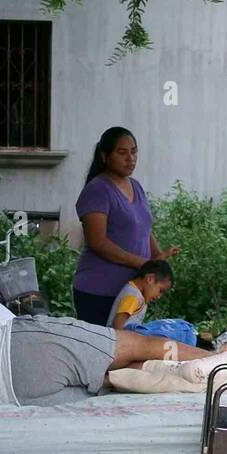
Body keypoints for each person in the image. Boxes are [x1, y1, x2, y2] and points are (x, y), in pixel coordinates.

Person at [0, 278, 212, 406]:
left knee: (115, 382)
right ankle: (216, 360)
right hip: (17, 347)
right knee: (137, 344)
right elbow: (9, 322)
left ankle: (165, 374)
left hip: (6, 396)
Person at [73, 128, 180, 326]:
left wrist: (157, 259)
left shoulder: (136, 186)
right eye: (122, 153)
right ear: (105, 156)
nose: (130, 158)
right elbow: (97, 242)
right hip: (99, 290)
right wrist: (141, 263)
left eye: (134, 151)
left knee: (125, 350)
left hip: (131, 291)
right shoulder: (97, 190)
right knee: (103, 351)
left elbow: (143, 228)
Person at [109, 259, 172, 330]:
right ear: (150, 279)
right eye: (160, 290)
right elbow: (118, 325)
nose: (159, 296)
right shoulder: (133, 296)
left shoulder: (137, 295)